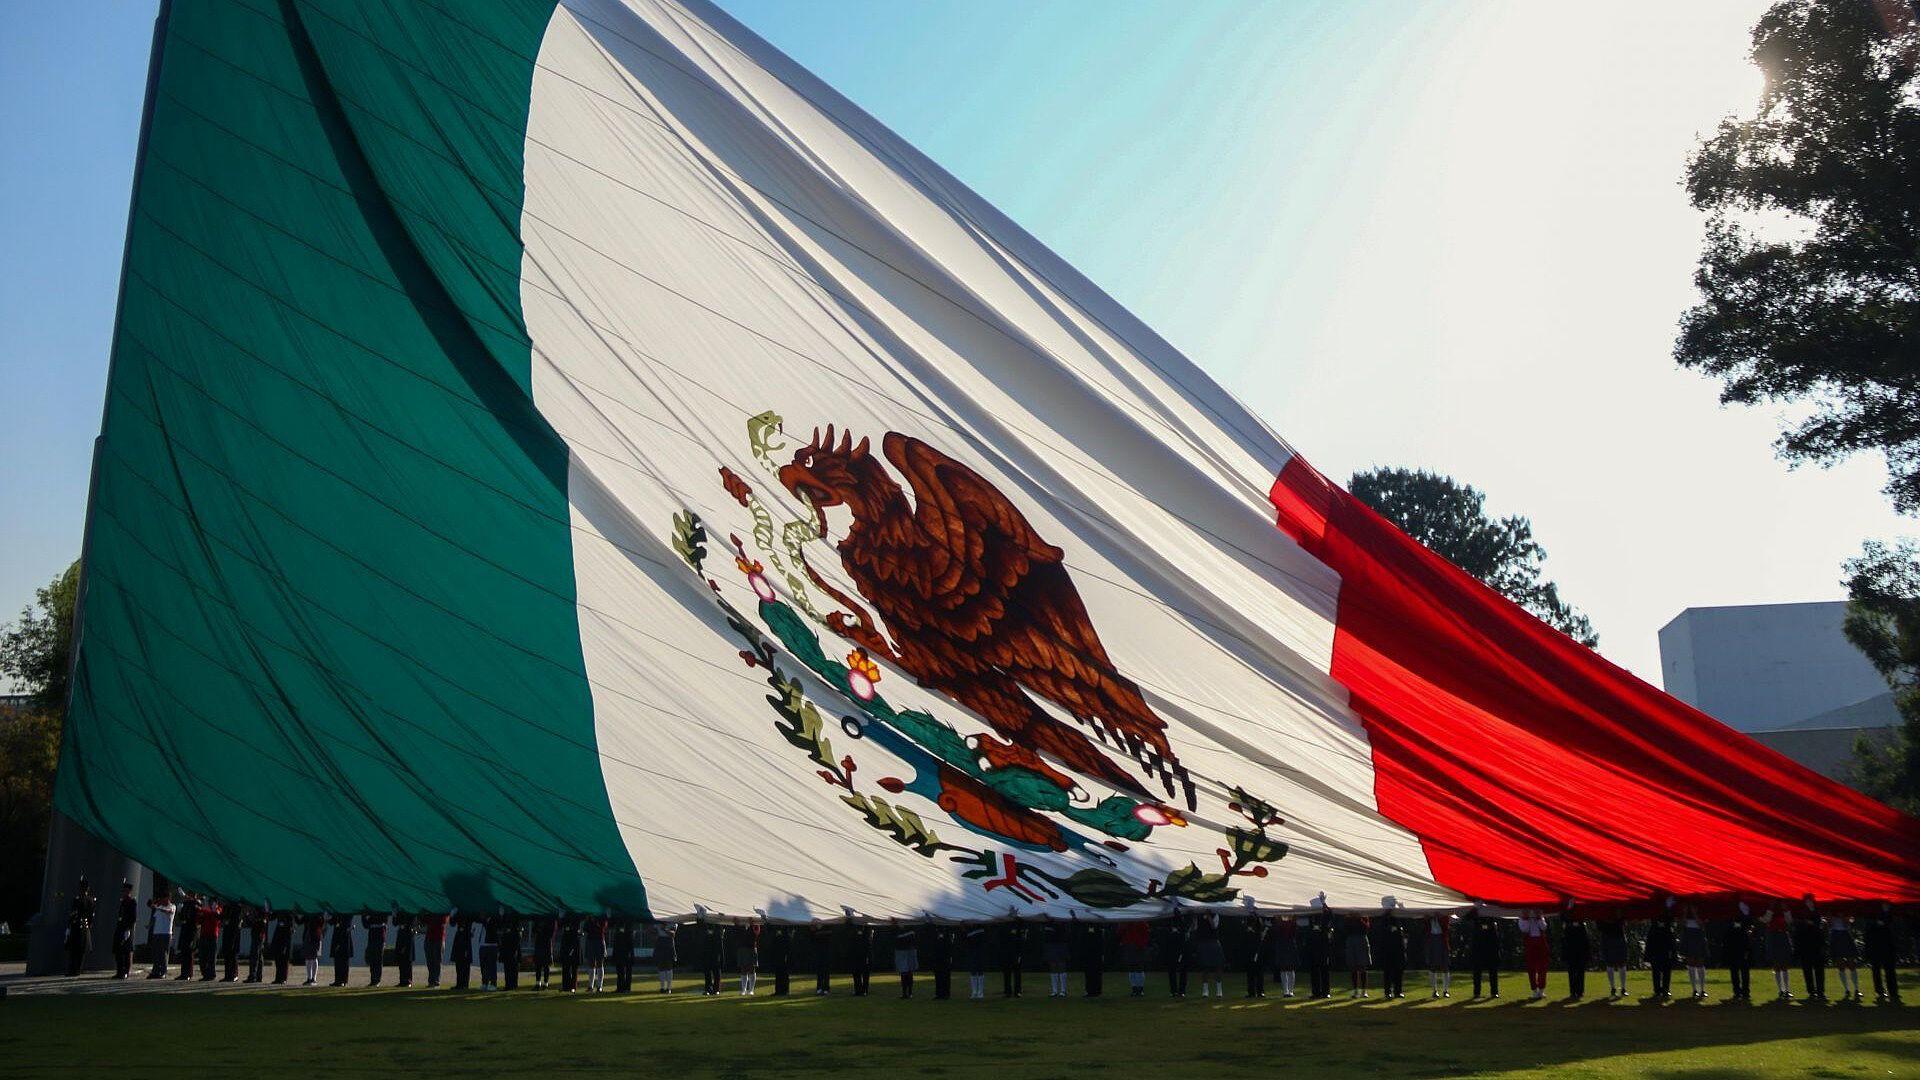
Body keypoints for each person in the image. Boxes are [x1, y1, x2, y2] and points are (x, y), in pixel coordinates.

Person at [1863, 902, 1902, 1004]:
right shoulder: (1872, 914)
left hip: (1886, 947)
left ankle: (1892, 991)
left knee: (1888, 970)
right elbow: (1871, 928)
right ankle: (1881, 991)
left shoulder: (1889, 915)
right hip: (1877, 947)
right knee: (1878, 970)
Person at [1795, 895, 1827, 1003]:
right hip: (1805, 945)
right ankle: (1811, 991)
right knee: (1807, 970)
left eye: (1811, 901)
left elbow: (1820, 926)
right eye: (1808, 901)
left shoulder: (1818, 912)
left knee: (1819, 969)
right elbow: (1798, 927)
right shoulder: (1801, 913)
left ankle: (1820, 991)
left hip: (1817, 944)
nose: (1809, 903)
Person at [1760, 900, 1794, 1001]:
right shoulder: (1767, 908)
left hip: (1782, 935)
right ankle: (1781, 990)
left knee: (1784, 964)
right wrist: (1770, 907)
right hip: (1772, 936)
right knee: (1776, 964)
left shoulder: (1784, 909)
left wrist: (1785, 909)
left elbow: (1789, 920)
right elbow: (1765, 920)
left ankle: (1787, 990)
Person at [1724, 901, 1753, 1003]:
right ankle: (1738, 991)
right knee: (1736, 970)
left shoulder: (1743, 918)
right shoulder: (1730, 919)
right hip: (1733, 947)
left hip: (1741, 946)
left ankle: (1744, 991)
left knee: (1742, 970)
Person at [1516, 909, 1549, 1001]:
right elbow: (1524, 929)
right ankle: (1534, 990)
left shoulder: (1540, 917)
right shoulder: (1522, 919)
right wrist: (1525, 917)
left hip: (1541, 943)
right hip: (1530, 944)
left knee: (1543, 968)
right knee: (1531, 968)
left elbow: (1544, 927)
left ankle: (1541, 990)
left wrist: (1539, 917)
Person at [1679, 903, 1709, 1000]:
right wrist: (1685, 912)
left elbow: (1701, 925)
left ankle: (1702, 989)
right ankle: (1694, 990)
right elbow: (1682, 924)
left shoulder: (1702, 910)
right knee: (1691, 962)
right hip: (1688, 936)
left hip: (1698, 936)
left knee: (1700, 962)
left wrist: (1695, 913)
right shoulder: (1685, 911)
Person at [1828, 914, 1861, 1002]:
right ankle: (1847, 990)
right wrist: (1829, 917)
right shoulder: (1829, 910)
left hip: (1845, 934)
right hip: (1835, 935)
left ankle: (1856, 989)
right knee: (1840, 964)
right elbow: (1829, 925)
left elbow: (1847, 924)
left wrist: (1843, 916)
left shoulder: (1846, 909)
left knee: (1851, 963)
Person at [1646, 904, 1676, 1001]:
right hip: (1655, 945)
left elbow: (1671, 918)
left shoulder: (1668, 920)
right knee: (1656, 969)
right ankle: (1657, 990)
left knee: (1666, 969)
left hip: (1666, 945)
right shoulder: (1654, 920)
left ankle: (1665, 989)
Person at [1469, 910, 1500, 1000]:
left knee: (1493, 971)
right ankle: (1476, 993)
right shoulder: (1475, 915)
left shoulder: (1492, 913)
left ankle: (1494, 992)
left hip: (1490, 947)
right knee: (1477, 971)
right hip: (1478, 947)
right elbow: (1467, 918)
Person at [1561, 906, 1589, 1001]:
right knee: (1572, 970)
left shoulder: (1581, 923)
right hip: (1571, 947)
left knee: (1580, 970)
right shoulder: (1567, 920)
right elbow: (1563, 917)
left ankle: (1579, 991)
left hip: (1580, 947)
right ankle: (1573, 991)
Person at [146, 891, 176, 979]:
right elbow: (154, 918)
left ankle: (163, 972)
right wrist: (149, 925)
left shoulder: (172, 906)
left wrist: (156, 907)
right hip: (157, 932)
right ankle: (155, 971)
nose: (162, 900)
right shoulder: (159, 907)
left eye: (163, 898)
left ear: (168, 898)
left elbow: (168, 912)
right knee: (156, 953)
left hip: (166, 933)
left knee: (163, 953)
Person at [1598, 913, 1629, 999]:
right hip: (1608, 937)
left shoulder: (1619, 910)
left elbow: (1624, 921)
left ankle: (1623, 988)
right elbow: (1599, 926)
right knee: (1609, 964)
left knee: (1622, 963)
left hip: (1618, 936)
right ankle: (1613, 988)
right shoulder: (1602, 911)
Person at [1270, 915, 1301, 998]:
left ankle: (1290, 991)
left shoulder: (1292, 922)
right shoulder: (1279, 922)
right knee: (1284, 969)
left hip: (1289, 946)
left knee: (1290, 969)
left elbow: (1294, 932)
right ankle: (1286, 991)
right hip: (1282, 946)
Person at [1342, 913, 1371, 999]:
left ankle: (1364, 991)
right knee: (1353, 967)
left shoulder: (1364, 915)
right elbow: (1346, 928)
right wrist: (1351, 918)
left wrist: (1359, 919)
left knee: (1362, 966)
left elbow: (1366, 928)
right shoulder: (1348, 916)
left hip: (1362, 939)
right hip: (1351, 939)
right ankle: (1355, 991)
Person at [1160, 915, 1190, 998]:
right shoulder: (1169, 928)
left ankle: (1180, 991)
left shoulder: (1182, 928)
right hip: (1172, 951)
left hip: (1180, 951)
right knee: (1173, 971)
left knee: (1181, 971)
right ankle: (1175, 991)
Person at [1308, 908, 1335, 999]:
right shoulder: (1312, 914)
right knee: (1314, 969)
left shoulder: (1326, 915)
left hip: (1324, 945)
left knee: (1324, 969)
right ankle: (1316, 992)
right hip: (1313, 945)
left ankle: (1326, 992)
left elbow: (1329, 916)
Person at [112, 881, 136, 979]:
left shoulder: (132, 902)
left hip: (127, 929)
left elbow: (133, 917)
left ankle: (125, 971)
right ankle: (119, 971)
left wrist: (128, 929)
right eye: (124, 891)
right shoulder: (123, 901)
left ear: (129, 891)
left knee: (125, 951)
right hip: (120, 928)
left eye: (126, 891)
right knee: (118, 951)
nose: (125, 893)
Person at [1426, 913, 1453, 998]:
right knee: (1432, 966)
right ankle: (1434, 990)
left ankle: (1445, 990)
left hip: (1442, 940)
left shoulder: (1444, 916)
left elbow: (1447, 926)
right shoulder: (1428, 918)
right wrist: (1429, 918)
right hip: (1432, 941)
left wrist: (1438, 917)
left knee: (1445, 967)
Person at [1381, 913, 1408, 999]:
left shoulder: (1400, 916)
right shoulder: (1385, 919)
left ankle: (1398, 991)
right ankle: (1387, 992)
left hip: (1399, 948)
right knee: (1388, 971)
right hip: (1387, 948)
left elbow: (1404, 930)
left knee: (1399, 971)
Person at [1042, 918, 1070, 998]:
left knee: (1061, 965)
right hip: (1050, 944)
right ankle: (1054, 991)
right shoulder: (1047, 921)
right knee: (1053, 966)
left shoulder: (1062, 921)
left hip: (1061, 943)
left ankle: (1063, 991)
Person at [196, 898, 222, 982]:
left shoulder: (218, 910)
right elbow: (200, 920)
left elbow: (216, 920)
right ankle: (205, 973)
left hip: (212, 935)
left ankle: (211, 974)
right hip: (204, 934)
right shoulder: (206, 910)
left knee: (211, 956)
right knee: (203, 956)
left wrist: (207, 911)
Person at [174, 893, 199, 980]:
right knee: (184, 952)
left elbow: (195, 919)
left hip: (191, 930)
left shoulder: (196, 904)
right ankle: (183, 972)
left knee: (189, 952)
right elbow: (182, 918)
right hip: (185, 929)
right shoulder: (186, 904)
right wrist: (180, 912)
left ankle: (188, 973)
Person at [1243, 915, 1269, 998]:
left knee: (1259, 973)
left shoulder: (1259, 929)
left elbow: (1262, 935)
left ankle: (1260, 991)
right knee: (1251, 973)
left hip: (1258, 952)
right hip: (1250, 952)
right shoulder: (1247, 929)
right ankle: (1251, 992)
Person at [1077, 919, 1105, 998]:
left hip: (1094, 954)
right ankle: (1091, 991)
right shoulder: (1088, 927)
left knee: (1094, 973)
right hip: (1090, 954)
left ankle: (1095, 991)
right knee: (1090, 973)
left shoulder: (1095, 927)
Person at [998, 919, 1026, 998]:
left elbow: (1022, 939)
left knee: (1017, 973)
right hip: (1006, 952)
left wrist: (1020, 953)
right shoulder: (1004, 924)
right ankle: (1007, 991)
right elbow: (1001, 938)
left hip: (1016, 952)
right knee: (1007, 973)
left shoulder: (1019, 924)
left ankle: (1017, 991)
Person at [963, 922, 990, 999]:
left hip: (980, 952)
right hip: (972, 952)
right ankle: (974, 992)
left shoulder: (982, 929)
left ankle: (980, 992)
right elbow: (966, 941)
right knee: (973, 971)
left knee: (980, 971)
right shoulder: (968, 930)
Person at [733, 920, 760, 996]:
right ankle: (743, 990)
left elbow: (756, 933)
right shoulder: (741, 924)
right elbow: (737, 933)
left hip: (751, 948)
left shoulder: (756, 923)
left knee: (752, 968)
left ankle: (751, 990)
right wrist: (736, 924)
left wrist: (752, 925)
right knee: (743, 969)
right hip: (742, 947)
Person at [328, 912, 355, 987]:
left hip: (345, 938)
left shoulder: (348, 912)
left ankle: (344, 981)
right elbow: (332, 922)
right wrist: (328, 917)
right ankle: (337, 980)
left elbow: (345, 924)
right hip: (337, 937)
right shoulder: (337, 913)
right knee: (337, 960)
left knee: (344, 961)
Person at [558, 913, 582, 993]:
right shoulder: (565, 919)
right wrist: (561, 917)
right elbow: (560, 925)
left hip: (574, 944)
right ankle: (565, 986)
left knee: (574, 967)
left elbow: (576, 933)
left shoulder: (576, 918)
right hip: (565, 944)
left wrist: (572, 949)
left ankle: (573, 986)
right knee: (565, 967)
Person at [364, 909, 389, 987]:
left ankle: (377, 980)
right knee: (372, 959)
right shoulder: (371, 914)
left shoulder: (382, 911)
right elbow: (366, 925)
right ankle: (373, 980)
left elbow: (384, 920)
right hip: (372, 937)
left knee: (378, 959)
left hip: (380, 937)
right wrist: (364, 916)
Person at [422, 911, 448, 988]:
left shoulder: (442, 912)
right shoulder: (430, 912)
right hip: (429, 938)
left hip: (438, 938)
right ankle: (431, 981)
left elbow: (443, 921)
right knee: (430, 961)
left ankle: (436, 981)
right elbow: (424, 921)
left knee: (437, 960)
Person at [498, 911, 522, 991]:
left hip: (512, 949)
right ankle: (509, 984)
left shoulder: (514, 929)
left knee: (511, 968)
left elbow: (517, 938)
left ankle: (512, 984)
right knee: (508, 968)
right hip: (508, 949)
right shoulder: (509, 927)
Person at [850, 922, 876, 997]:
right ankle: (857, 990)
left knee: (865, 973)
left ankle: (864, 990)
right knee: (856, 972)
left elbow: (869, 941)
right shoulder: (855, 928)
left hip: (865, 954)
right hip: (856, 953)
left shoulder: (868, 929)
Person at [699, 919, 724, 996]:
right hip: (707, 951)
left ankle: (716, 989)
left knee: (716, 972)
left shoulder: (718, 930)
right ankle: (708, 989)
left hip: (715, 952)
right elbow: (701, 926)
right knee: (707, 973)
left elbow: (719, 941)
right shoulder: (705, 928)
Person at [893, 921, 917, 999]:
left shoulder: (910, 928)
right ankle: (905, 993)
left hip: (908, 951)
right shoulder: (897, 929)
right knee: (904, 973)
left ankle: (909, 992)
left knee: (908, 973)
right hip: (902, 951)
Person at [529, 915, 554, 990]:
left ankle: (546, 983)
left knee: (546, 965)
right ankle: (538, 983)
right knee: (538, 965)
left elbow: (550, 933)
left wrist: (542, 930)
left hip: (546, 944)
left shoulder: (550, 919)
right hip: (539, 943)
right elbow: (534, 930)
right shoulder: (538, 919)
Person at [585, 914, 608, 993]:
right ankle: (590, 986)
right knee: (591, 964)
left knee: (600, 963)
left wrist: (596, 922)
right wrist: (590, 920)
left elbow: (603, 928)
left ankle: (599, 986)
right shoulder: (589, 918)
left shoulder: (601, 917)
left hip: (599, 940)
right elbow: (586, 928)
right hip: (591, 940)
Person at [392, 911, 416, 987]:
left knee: (408, 959)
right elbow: (395, 923)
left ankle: (408, 980)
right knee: (401, 958)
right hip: (401, 934)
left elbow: (412, 921)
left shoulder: (410, 911)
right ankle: (402, 980)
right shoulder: (400, 911)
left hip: (408, 934)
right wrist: (394, 915)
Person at [244, 905, 267, 983]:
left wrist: (249, 915)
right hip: (258, 934)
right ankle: (258, 976)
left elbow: (256, 921)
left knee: (255, 955)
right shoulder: (261, 910)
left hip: (258, 934)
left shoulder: (261, 911)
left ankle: (253, 976)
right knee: (259, 956)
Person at [269, 910, 294, 985]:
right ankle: (278, 978)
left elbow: (291, 922)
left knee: (284, 958)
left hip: (286, 935)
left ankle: (283, 978)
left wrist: (285, 924)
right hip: (278, 935)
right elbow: (272, 917)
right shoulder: (279, 909)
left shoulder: (289, 911)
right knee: (278, 957)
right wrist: (269, 911)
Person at [220, 901, 242, 981]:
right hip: (227, 930)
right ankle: (227, 975)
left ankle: (234, 974)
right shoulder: (226, 907)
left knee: (233, 954)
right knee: (227, 953)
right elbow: (222, 917)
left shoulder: (237, 907)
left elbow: (237, 920)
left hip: (234, 931)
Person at [928, 924, 952, 1000]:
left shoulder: (947, 931)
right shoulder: (935, 931)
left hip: (945, 957)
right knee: (938, 976)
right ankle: (939, 994)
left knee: (945, 976)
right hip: (937, 957)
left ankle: (946, 994)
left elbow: (949, 944)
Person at [301, 911, 325, 986]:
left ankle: (314, 979)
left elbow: (322, 924)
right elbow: (300, 921)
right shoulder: (307, 914)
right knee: (308, 958)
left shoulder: (319, 915)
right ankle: (309, 978)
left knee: (314, 958)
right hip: (307, 938)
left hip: (316, 938)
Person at [611, 916, 634, 994]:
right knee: (620, 969)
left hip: (626, 948)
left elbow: (630, 939)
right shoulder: (619, 926)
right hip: (619, 947)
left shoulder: (628, 927)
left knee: (627, 969)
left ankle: (626, 987)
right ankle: (620, 987)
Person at [451, 913, 474, 990]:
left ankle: (465, 983)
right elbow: (452, 923)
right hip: (459, 940)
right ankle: (459, 983)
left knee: (465, 963)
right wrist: (453, 915)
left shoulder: (469, 915)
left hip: (466, 940)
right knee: (458, 963)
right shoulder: (459, 915)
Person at [655, 922, 679, 993]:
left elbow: (672, 934)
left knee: (669, 966)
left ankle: (669, 988)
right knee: (661, 966)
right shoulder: (658, 922)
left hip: (669, 944)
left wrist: (665, 929)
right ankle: (662, 987)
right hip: (660, 943)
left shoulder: (673, 923)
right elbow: (652, 931)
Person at [809, 921, 832, 996]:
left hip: (826, 953)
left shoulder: (827, 928)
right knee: (819, 972)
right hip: (819, 953)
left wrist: (817, 932)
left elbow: (829, 936)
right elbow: (812, 939)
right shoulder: (815, 930)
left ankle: (826, 988)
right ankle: (819, 988)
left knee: (825, 972)